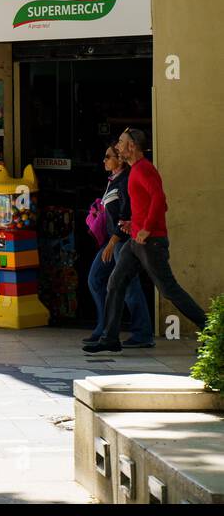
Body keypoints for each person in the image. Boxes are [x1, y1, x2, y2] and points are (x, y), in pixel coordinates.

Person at [85, 128, 209, 355]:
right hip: (135, 242)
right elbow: (148, 204)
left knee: (168, 289)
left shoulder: (144, 169)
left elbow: (160, 200)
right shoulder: (135, 171)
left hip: (151, 242)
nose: (118, 147)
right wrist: (135, 224)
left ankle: (211, 331)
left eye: (121, 143)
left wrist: (147, 228)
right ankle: (110, 338)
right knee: (116, 282)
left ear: (132, 146)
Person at [84, 144, 153, 347]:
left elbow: (125, 215)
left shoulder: (125, 182)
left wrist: (112, 241)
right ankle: (103, 326)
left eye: (108, 156)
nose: (104, 160)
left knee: (130, 287)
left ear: (120, 159)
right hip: (112, 241)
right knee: (96, 279)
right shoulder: (113, 181)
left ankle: (142, 333)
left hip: (121, 241)